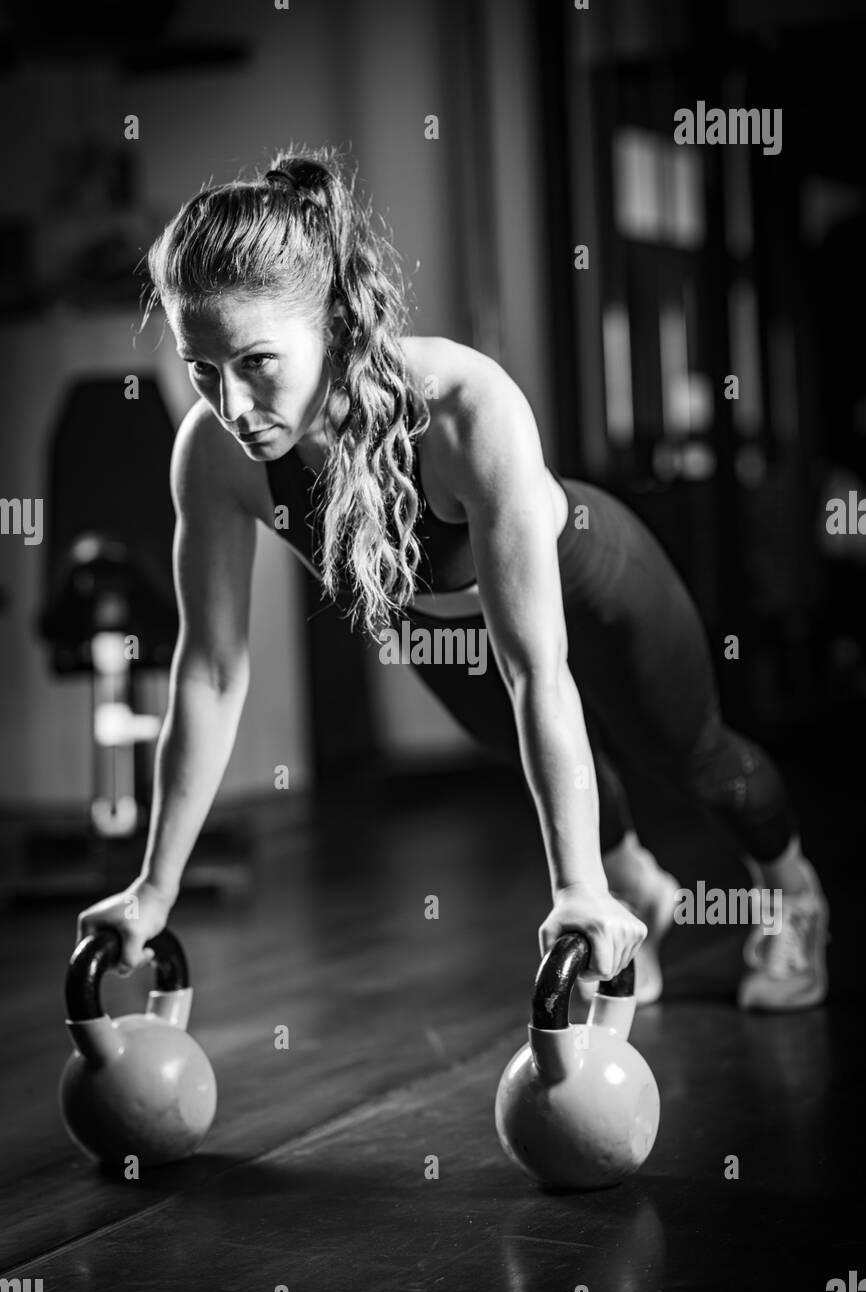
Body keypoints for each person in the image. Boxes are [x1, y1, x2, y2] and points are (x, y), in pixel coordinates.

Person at [77, 144, 828, 1011]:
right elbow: (210, 672)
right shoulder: (212, 455)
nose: (231, 406)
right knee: (525, 750)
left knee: (691, 758)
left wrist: (568, 887)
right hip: (437, 626)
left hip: (593, 584)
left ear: (327, 321)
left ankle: (795, 895)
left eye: (255, 362)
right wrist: (155, 890)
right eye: (200, 369)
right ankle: (637, 894)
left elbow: (536, 669)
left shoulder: (466, 407)